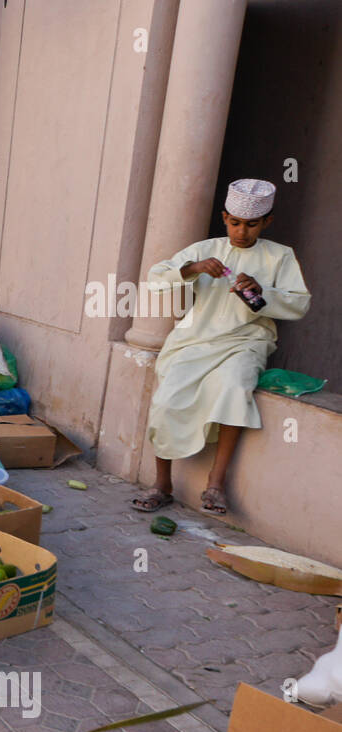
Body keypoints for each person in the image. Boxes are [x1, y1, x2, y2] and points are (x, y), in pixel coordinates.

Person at [131, 179, 311, 516]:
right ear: (224, 217)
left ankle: (215, 485)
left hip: (247, 340)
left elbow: (299, 304)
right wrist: (193, 268)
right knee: (167, 399)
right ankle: (161, 484)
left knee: (233, 388)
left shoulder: (279, 256)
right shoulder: (205, 249)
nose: (242, 231)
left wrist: (262, 292)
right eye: (235, 222)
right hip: (195, 338)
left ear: (267, 222)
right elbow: (157, 278)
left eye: (252, 224)